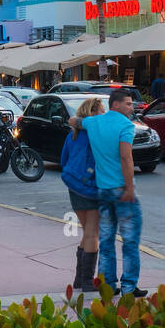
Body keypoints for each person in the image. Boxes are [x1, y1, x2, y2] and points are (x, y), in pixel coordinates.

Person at [82, 89, 146, 298]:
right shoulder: (126, 125)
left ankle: (108, 285)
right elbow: (126, 158)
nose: (132, 107)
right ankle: (129, 287)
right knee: (129, 240)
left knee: (107, 239)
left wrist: (76, 120)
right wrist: (129, 188)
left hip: (104, 190)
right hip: (121, 189)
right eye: (128, 104)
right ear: (116, 105)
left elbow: (74, 120)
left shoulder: (94, 123)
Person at [61, 97, 102, 293]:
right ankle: (86, 281)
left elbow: (64, 159)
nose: (103, 115)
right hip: (90, 187)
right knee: (93, 233)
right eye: (101, 111)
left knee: (87, 231)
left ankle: (79, 279)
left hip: (73, 185)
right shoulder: (96, 136)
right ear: (92, 114)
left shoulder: (73, 135)